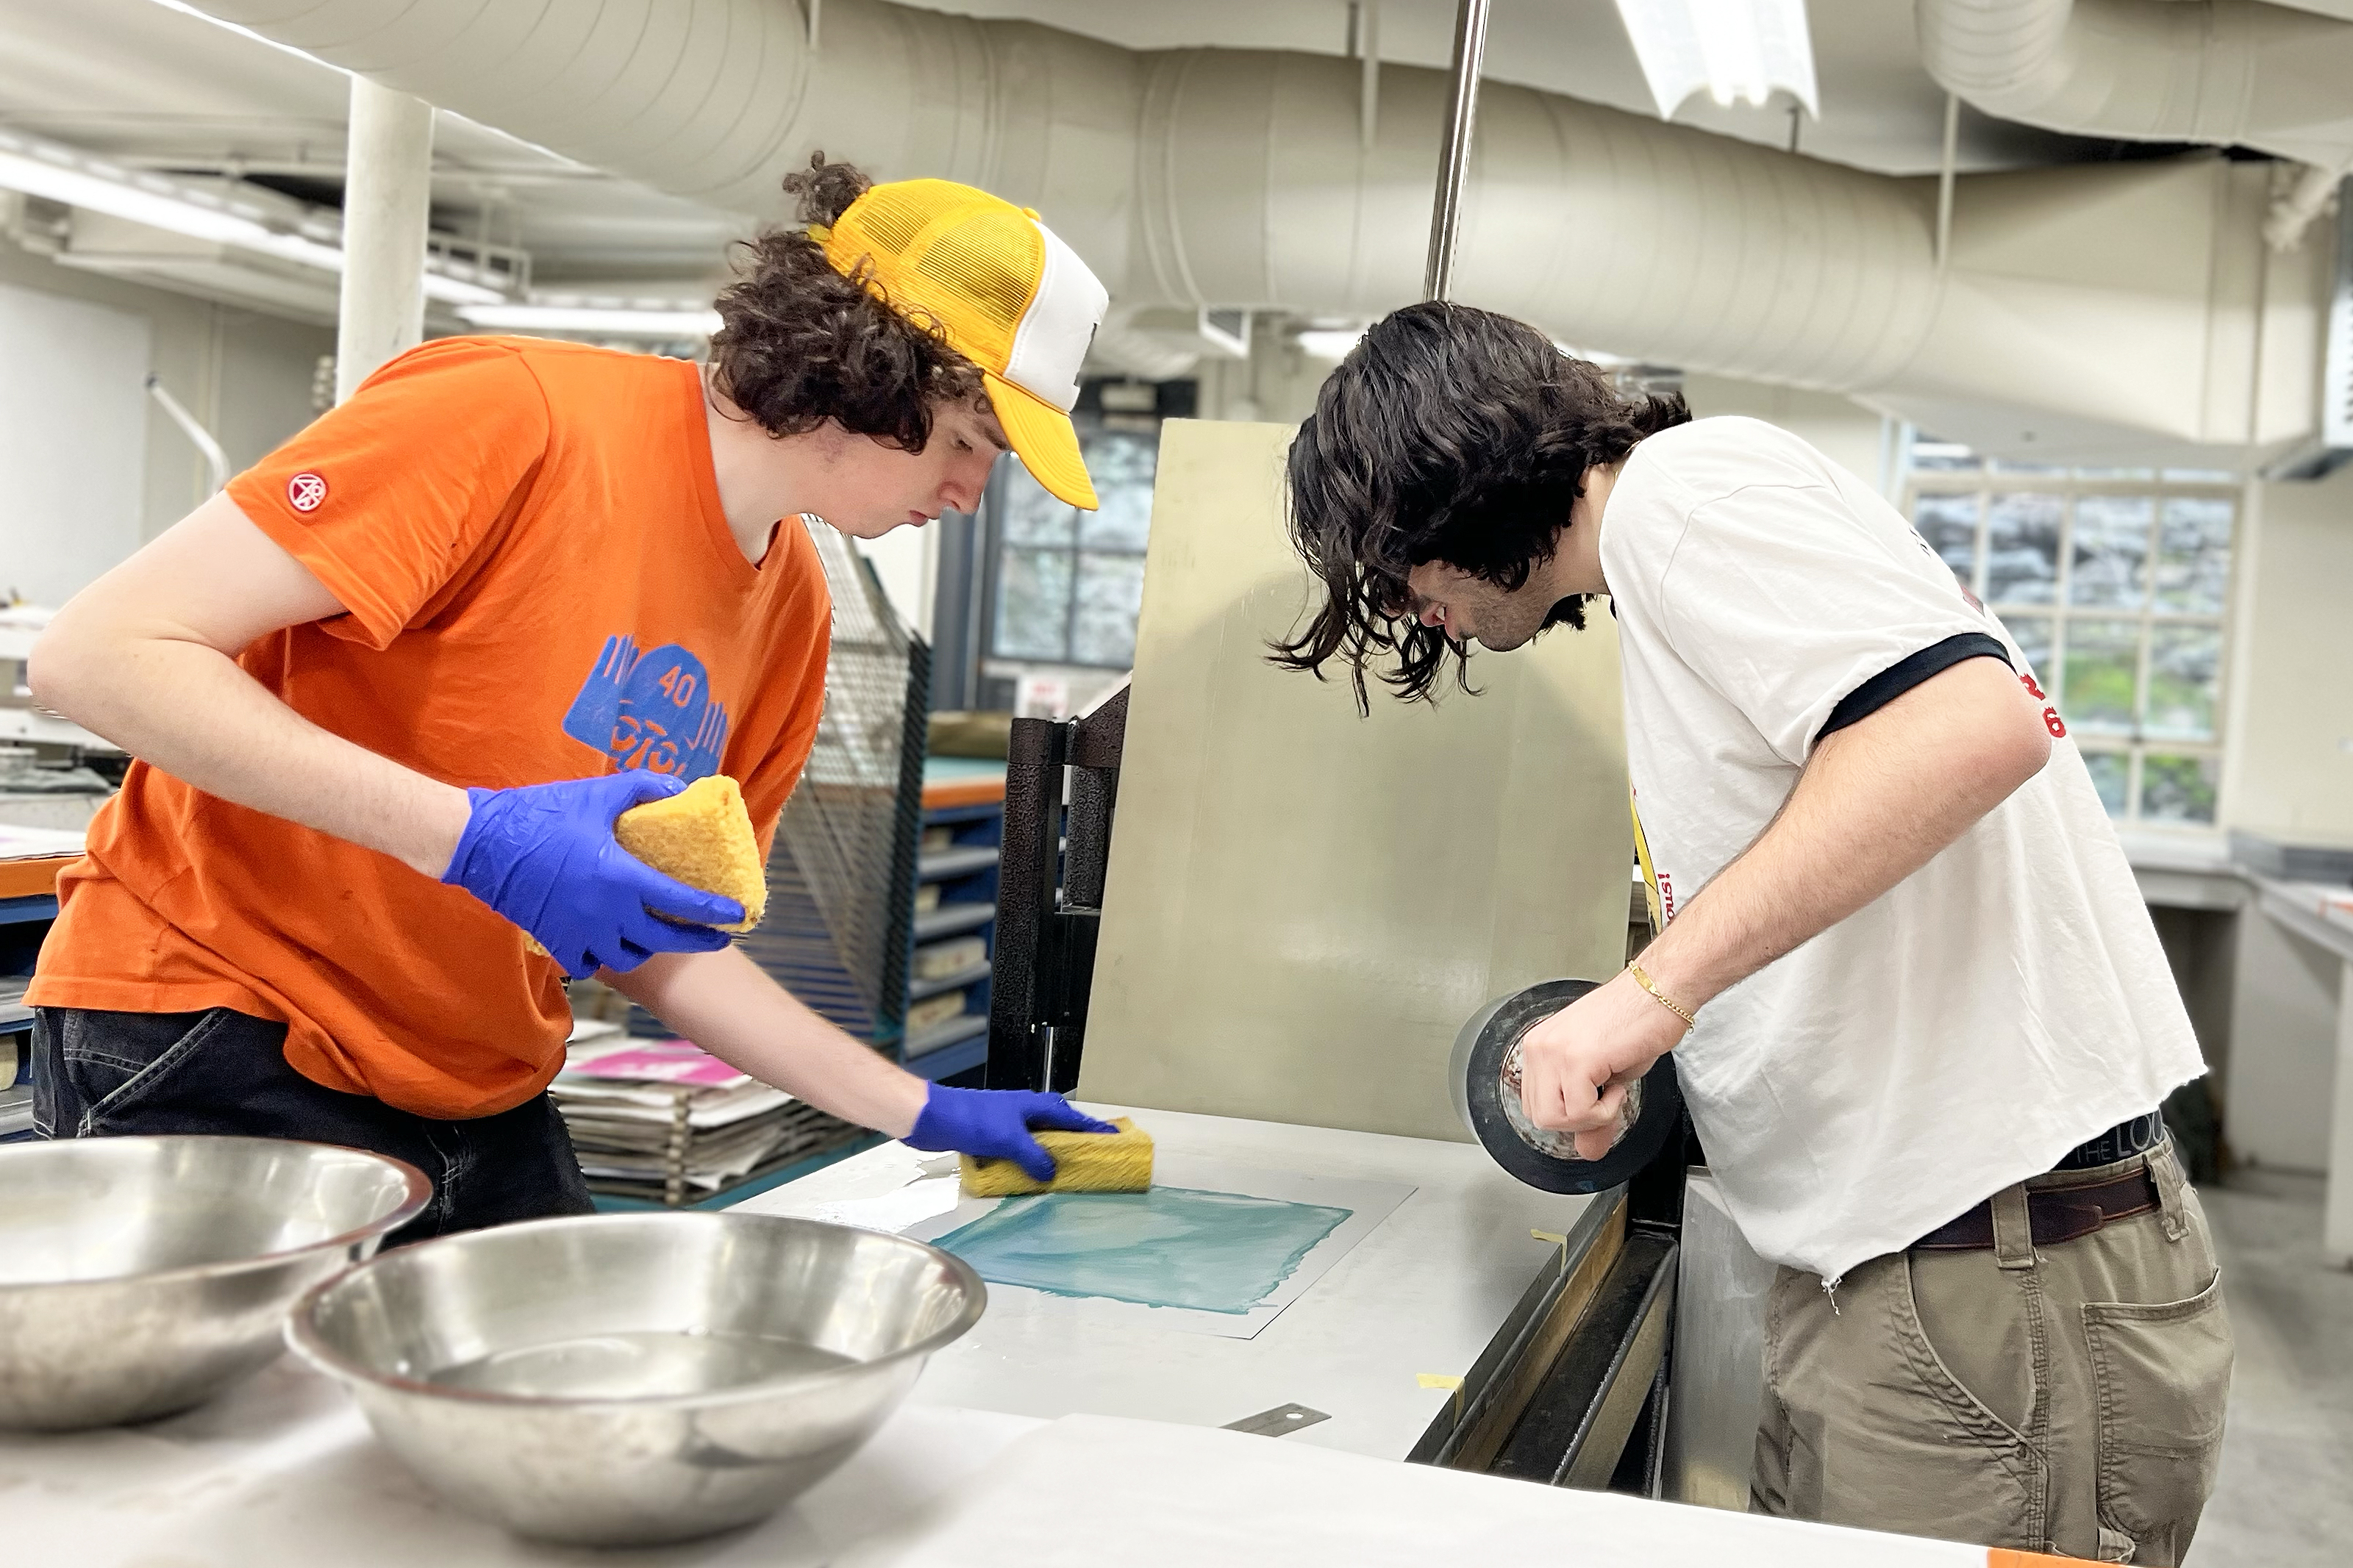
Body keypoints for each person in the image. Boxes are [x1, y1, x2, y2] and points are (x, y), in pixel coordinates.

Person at [1276, 301, 2230, 1565]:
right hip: (1918, 1275)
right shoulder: (1672, 560)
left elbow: (1970, 726)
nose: (1414, 605)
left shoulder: (1685, 493)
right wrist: (1662, 1050)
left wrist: (1650, 993)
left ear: (1449, 482)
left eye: (1400, 561)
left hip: (1995, 1280)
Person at [26, 157, 1117, 1239]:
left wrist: (914, 1108)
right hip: (217, 1023)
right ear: (872, 372)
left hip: (473, 1083)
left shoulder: (791, 611)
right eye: (973, 442)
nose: (973, 494)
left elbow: (658, 937)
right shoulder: (513, 415)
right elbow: (98, 653)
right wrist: (469, 835)